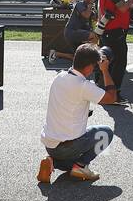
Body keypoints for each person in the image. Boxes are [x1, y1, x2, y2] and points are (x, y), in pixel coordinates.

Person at [37, 43, 121, 184]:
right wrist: (105, 71)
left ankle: (52, 162)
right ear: (89, 67)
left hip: (50, 146)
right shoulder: (83, 86)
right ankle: (81, 165)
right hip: (67, 147)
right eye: (94, 65)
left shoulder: (60, 77)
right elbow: (112, 97)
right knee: (105, 133)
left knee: (70, 164)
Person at [97, 0, 133, 101]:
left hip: (111, 30)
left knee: (110, 61)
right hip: (113, 31)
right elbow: (122, 8)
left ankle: (105, 91)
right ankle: (114, 94)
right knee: (119, 63)